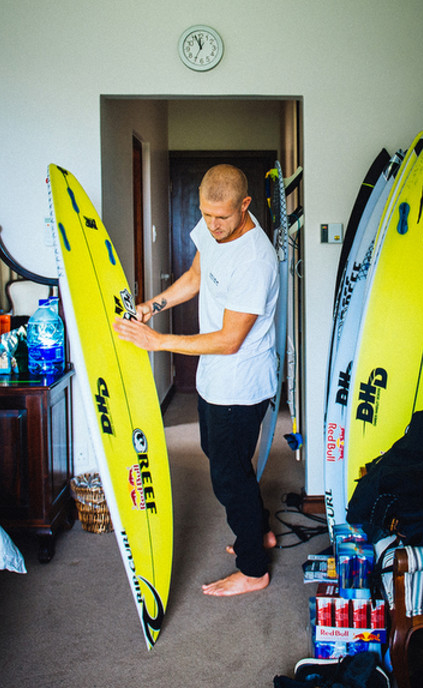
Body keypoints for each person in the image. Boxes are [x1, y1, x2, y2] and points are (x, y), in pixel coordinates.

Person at [113, 164, 280, 597]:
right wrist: (153, 305)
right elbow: (195, 277)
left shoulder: (255, 259)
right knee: (224, 459)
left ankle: (254, 568)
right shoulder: (213, 227)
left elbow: (229, 341)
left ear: (245, 205)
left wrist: (158, 341)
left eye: (222, 217)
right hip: (214, 380)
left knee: (228, 476)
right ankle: (259, 532)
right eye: (206, 215)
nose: (212, 225)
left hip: (241, 383)